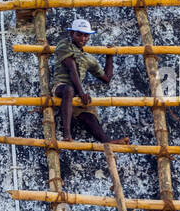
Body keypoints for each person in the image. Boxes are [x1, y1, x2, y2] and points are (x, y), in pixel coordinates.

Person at [51, 16, 125, 144]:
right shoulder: (64, 45)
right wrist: (81, 93)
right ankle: (66, 135)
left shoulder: (88, 58)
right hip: (61, 87)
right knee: (68, 90)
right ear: (71, 33)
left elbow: (106, 78)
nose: (83, 39)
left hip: (76, 93)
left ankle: (107, 141)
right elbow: (72, 69)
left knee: (89, 116)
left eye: (86, 36)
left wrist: (109, 57)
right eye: (79, 35)